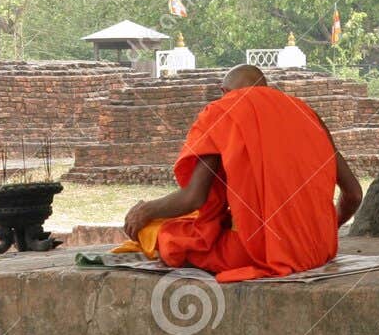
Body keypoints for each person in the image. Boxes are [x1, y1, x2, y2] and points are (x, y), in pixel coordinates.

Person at [118, 65, 362, 282]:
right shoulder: (307, 113)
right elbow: (353, 194)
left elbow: (194, 198)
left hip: (260, 251)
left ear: (225, 92)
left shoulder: (223, 111)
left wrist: (145, 211)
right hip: (319, 250)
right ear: (266, 88)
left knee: (161, 232)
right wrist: (320, 232)